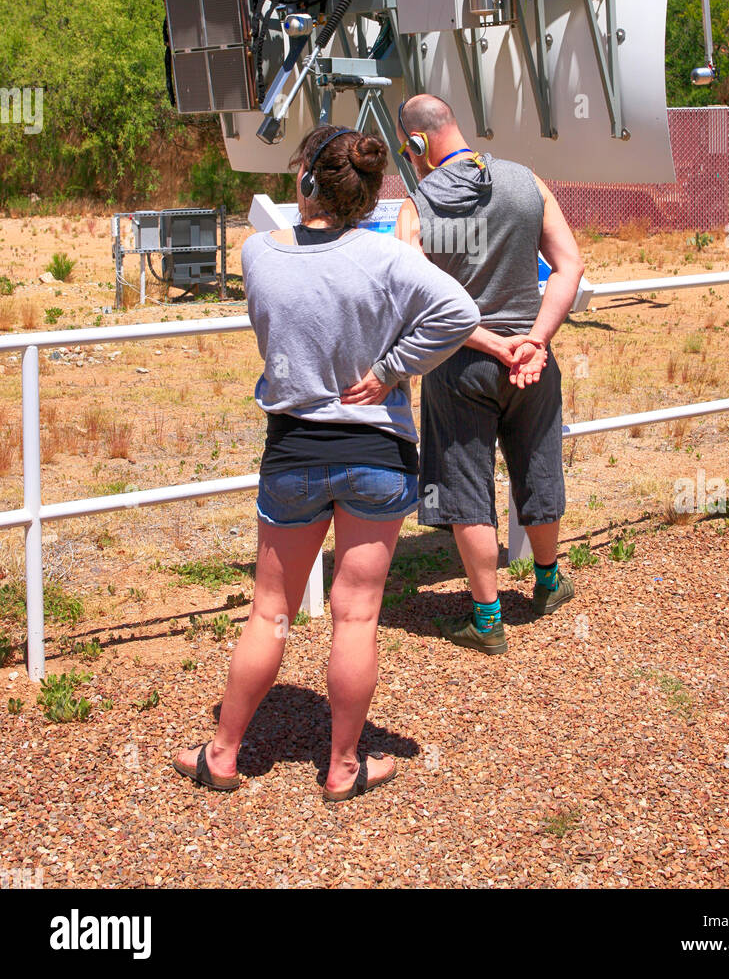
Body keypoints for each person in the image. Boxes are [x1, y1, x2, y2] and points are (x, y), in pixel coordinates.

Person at [173, 126, 479, 799]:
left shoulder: (259, 252)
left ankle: (222, 755)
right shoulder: (388, 257)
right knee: (358, 615)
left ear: (308, 179)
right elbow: (459, 312)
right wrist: (391, 368)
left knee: (270, 612)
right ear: (367, 193)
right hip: (377, 454)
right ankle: (343, 767)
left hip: (294, 451)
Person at [393, 94, 584, 655]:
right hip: (532, 364)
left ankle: (487, 618)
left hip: (459, 366)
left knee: (464, 487)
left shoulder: (416, 206)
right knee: (539, 465)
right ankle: (547, 582)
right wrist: (534, 341)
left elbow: (415, 298)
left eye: (408, 149)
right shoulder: (528, 182)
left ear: (417, 143)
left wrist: (487, 341)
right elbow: (570, 264)